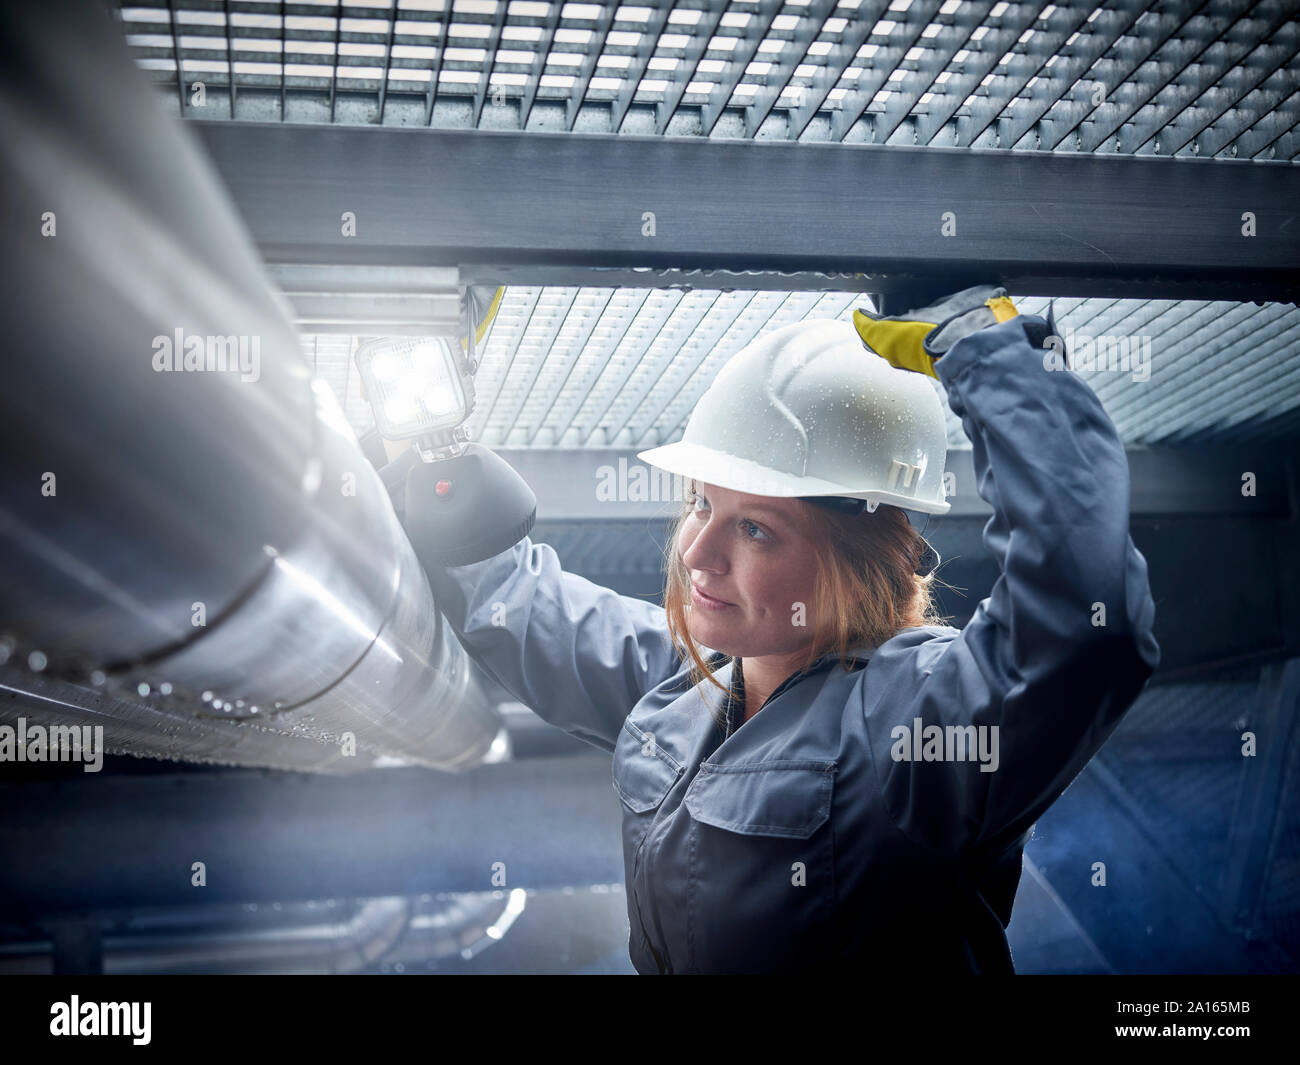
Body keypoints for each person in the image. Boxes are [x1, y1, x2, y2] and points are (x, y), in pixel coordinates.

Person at [414, 285, 1160, 974]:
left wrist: (980, 345)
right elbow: (531, 613)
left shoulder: (918, 720)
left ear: (867, 557)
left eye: (757, 530)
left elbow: (1084, 618)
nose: (698, 553)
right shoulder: (690, 686)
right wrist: (429, 459)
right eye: (701, 504)